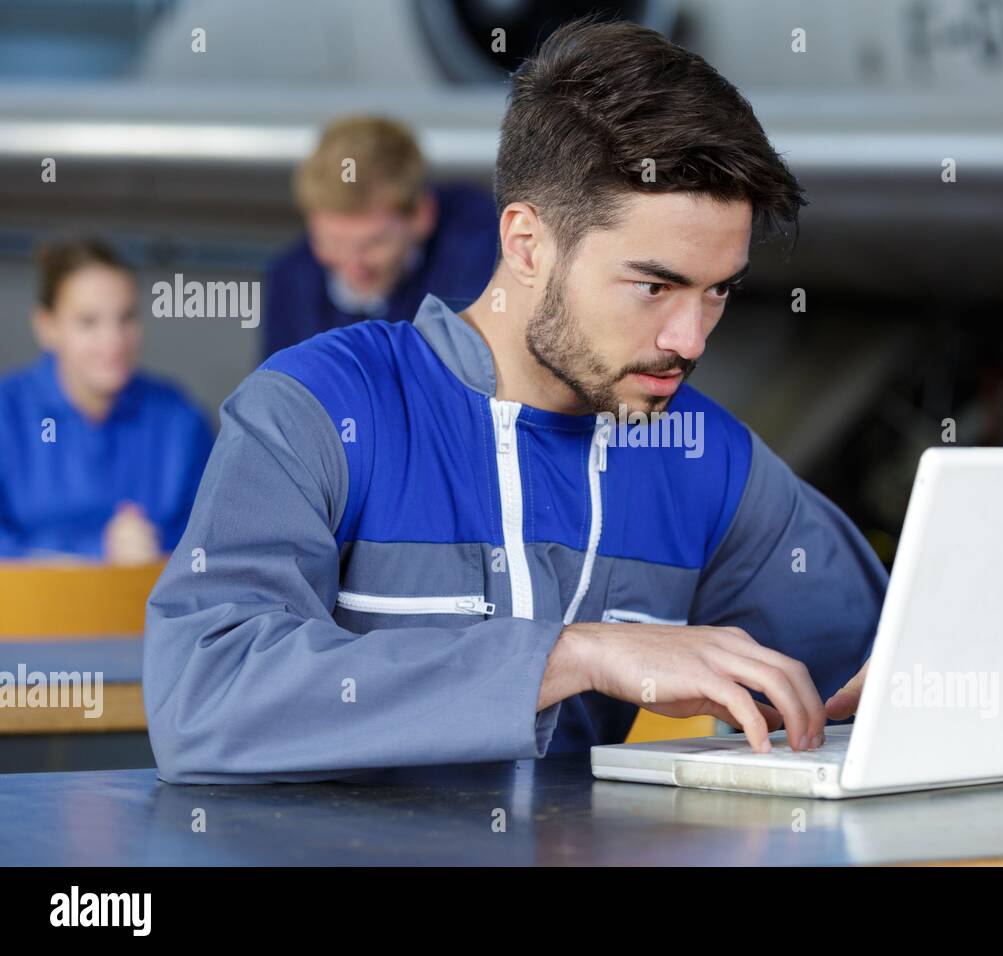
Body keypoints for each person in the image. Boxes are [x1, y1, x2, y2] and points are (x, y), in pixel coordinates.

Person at [144, 17, 887, 784]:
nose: (690, 340)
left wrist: (921, 685)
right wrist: (575, 655)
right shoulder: (316, 408)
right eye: (654, 286)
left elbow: (890, 659)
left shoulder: (705, 456)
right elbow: (202, 699)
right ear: (527, 244)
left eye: (717, 292)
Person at [0, 238, 213, 563]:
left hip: (146, 608)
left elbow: (215, 540)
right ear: (46, 326)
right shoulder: (8, 415)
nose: (113, 341)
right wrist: (97, 552)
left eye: (126, 318)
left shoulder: (179, 419)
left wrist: (158, 551)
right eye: (88, 322)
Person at [261, 115, 498, 357]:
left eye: (374, 243)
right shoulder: (292, 277)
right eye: (333, 242)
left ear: (422, 216)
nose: (354, 265)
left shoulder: (478, 246)